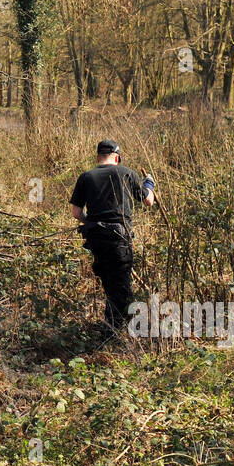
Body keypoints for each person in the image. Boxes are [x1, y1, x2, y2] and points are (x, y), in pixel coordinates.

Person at [69, 139, 156, 339]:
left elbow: (76, 213)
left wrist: (91, 221)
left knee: (109, 282)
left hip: (96, 239)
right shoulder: (126, 173)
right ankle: (115, 334)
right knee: (122, 285)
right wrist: (149, 183)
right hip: (119, 238)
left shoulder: (86, 177)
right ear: (117, 157)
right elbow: (148, 201)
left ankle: (113, 327)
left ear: (98, 157)